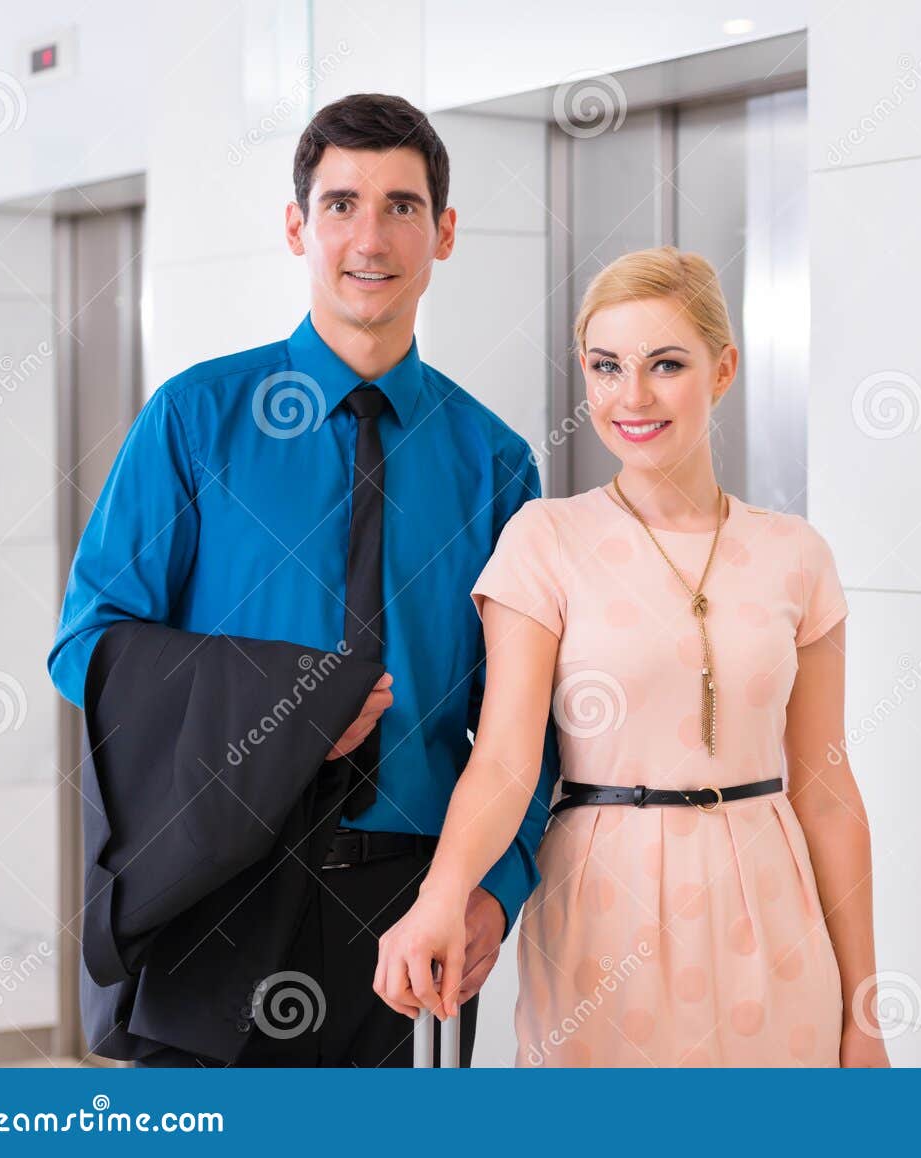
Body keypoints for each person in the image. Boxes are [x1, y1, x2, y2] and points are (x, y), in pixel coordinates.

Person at [47, 92, 559, 1066]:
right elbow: (87, 648)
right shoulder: (195, 418)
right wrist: (288, 704)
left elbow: (519, 717)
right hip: (217, 884)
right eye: (340, 204)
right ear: (297, 225)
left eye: (403, 206)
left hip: (403, 905)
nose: (370, 237)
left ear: (444, 232)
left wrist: (497, 884)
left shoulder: (494, 462)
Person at [374, 247, 889, 1067]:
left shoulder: (797, 554)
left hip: (773, 917)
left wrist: (865, 1012)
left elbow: (826, 792)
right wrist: (440, 898)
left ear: (723, 370)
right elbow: (507, 761)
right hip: (602, 918)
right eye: (607, 367)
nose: (633, 397)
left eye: (666, 365)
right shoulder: (545, 539)